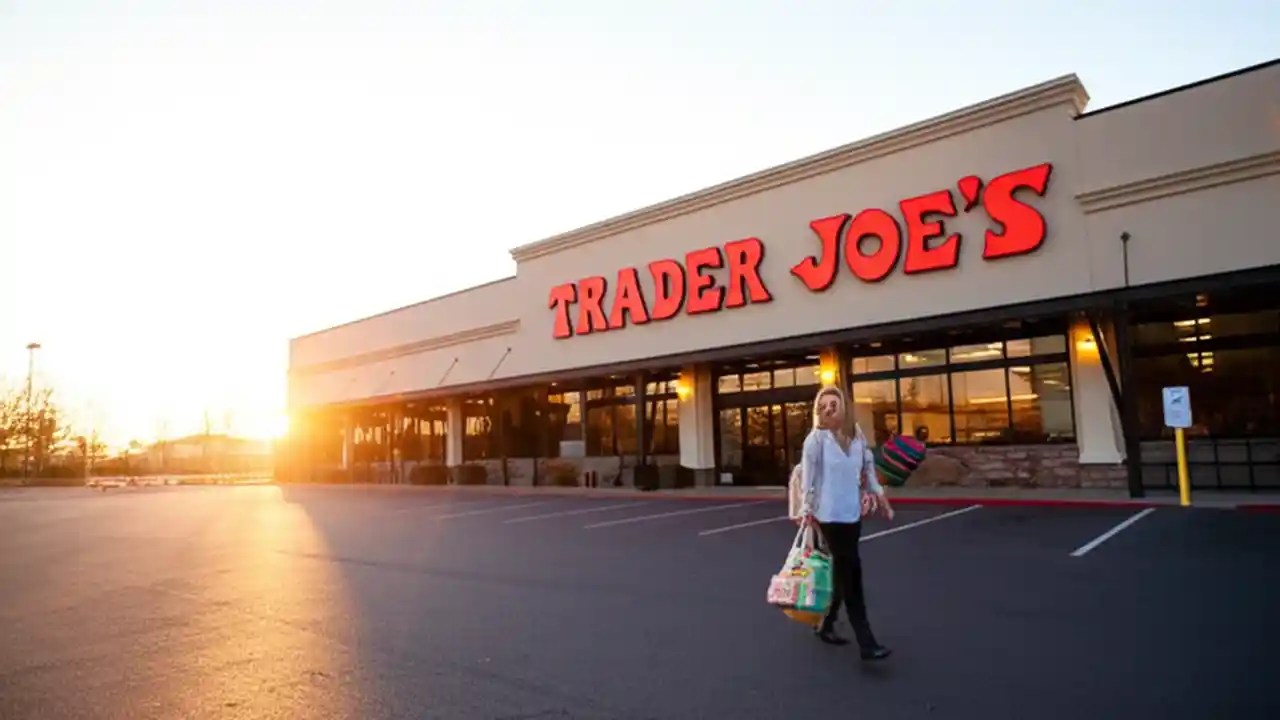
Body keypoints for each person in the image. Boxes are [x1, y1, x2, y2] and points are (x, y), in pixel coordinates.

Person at [799, 385, 893, 660]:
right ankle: (867, 642)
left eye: (834, 403)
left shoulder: (856, 435)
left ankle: (826, 624)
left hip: (851, 514)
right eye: (824, 405)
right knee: (852, 573)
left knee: (842, 571)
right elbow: (809, 478)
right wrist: (806, 509)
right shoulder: (815, 440)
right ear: (819, 410)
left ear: (843, 407)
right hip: (828, 516)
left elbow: (867, 469)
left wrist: (880, 497)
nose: (829, 408)